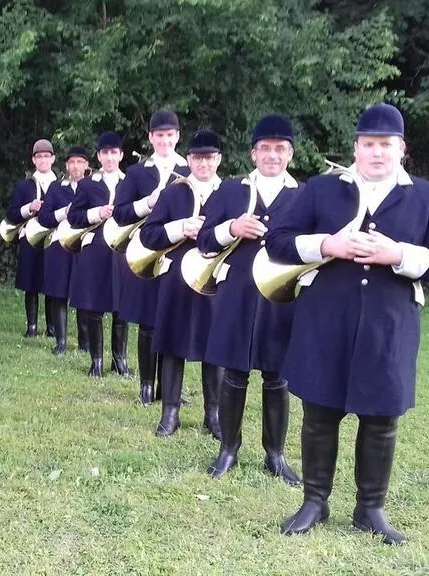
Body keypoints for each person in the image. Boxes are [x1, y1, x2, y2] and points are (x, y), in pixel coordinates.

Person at [270, 103, 429, 544]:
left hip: (389, 326)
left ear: (402, 149)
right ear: (356, 147)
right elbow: (277, 241)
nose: (377, 153)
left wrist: (398, 255)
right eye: (369, 144)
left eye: (386, 145)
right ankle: (314, 501)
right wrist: (327, 244)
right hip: (326, 320)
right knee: (319, 412)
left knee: (381, 420)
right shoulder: (321, 189)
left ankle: (369, 509)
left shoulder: (427, 197)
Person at [196, 114, 301, 485]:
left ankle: (275, 455)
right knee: (234, 373)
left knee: (277, 376)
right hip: (237, 293)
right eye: (266, 149)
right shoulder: (231, 190)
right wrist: (231, 228)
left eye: (280, 149)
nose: (273, 155)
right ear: (254, 153)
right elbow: (204, 242)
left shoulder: (303, 196)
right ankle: (228, 449)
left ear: (290, 154)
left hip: (282, 298)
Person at [138, 130, 224, 435]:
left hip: (214, 279)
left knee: (214, 347)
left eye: (210, 157)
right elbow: (149, 235)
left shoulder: (231, 193)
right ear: (188, 160)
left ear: (219, 159)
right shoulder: (174, 192)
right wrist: (180, 228)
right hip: (175, 279)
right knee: (173, 342)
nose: (203, 163)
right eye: (198, 157)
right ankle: (170, 412)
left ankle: (213, 414)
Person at [114, 110, 190, 391]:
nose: (165, 140)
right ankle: (147, 384)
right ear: (150, 138)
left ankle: (168, 389)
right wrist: (147, 203)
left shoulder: (190, 170)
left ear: (178, 136)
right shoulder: (136, 173)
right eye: (159, 135)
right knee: (148, 321)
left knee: (173, 320)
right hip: (146, 250)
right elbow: (120, 214)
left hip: (178, 254)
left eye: (170, 135)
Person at [67, 131, 128, 378]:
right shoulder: (87, 184)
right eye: (105, 153)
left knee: (121, 307)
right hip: (96, 249)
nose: (110, 157)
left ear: (121, 155)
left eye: (114, 153)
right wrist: (96, 214)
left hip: (122, 250)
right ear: (99, 156)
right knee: (94, 307)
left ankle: (119, 360)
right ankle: (97, 360)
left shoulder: (130, 182)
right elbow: (73, 217)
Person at [39, 145, 90, 355]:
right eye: (72, 162)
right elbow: (44, 218)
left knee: (84, 295)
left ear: (87, 165)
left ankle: (85, 343)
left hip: (85, 247)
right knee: (59, 294)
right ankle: (61, 343)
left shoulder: (94, 187)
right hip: (59, 246)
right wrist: (64, 212)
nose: (76, 166)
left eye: (80, 162)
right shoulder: (56, 188)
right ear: (66, 165)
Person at [6, 139, 56, 337]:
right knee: (31, 281)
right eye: (39, 157)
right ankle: (32, 326)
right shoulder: (24, 186)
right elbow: (11, 214)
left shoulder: (60, 184)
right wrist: (29, 209)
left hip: (54, 239)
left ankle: (53, 327)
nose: (43, 160)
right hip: (30, 238)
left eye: (46, 156)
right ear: (33, 160)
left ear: (53, 159)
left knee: (53, 282)